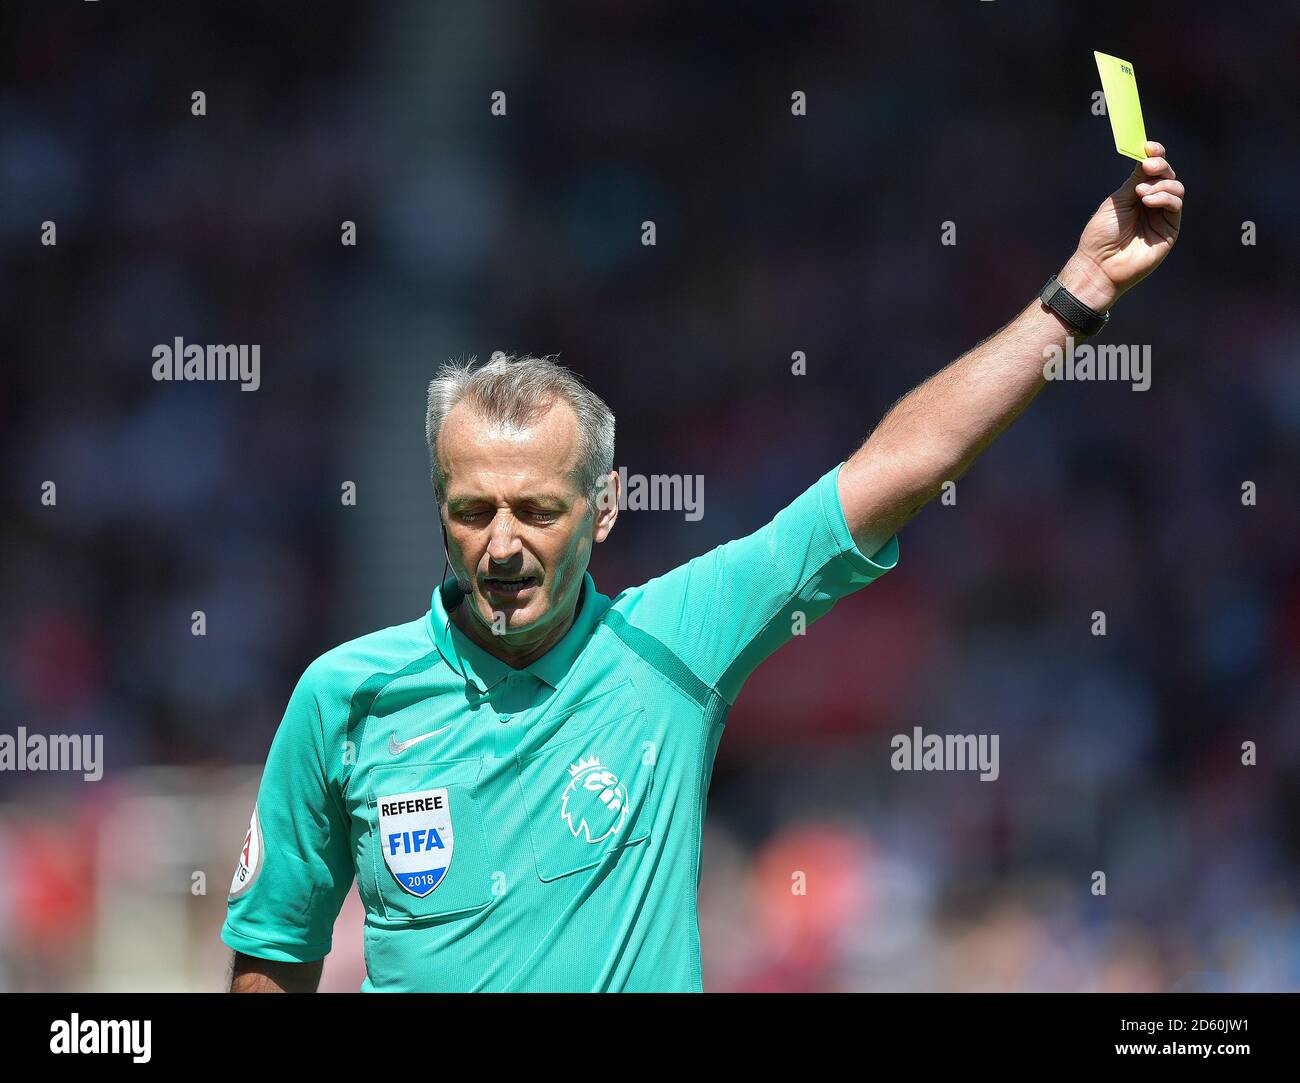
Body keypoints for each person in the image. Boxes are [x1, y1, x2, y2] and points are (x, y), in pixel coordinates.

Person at [223, 143, 1183, 991]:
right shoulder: (344, 697)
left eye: (539, 510)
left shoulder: (674, 642)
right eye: (473, 510)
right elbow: (273, 951)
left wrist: (1079, 294)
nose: (504, 543)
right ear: (439, 510)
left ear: (603, 511)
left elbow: (900, 468)